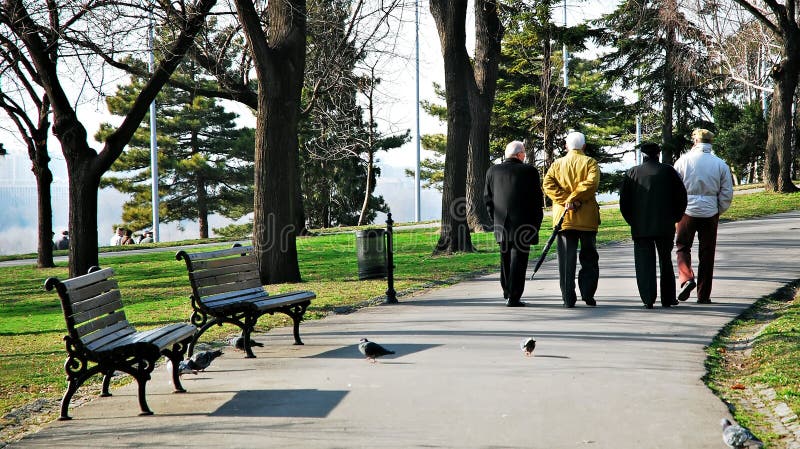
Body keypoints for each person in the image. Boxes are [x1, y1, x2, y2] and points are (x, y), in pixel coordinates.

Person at [619, 142, 688, 309]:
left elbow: (624, 203)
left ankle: (648, 298)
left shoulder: (633, 173)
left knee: (644, 263)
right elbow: (681, 197)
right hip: (665, 225)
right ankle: (668, 297)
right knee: (665, 261)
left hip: (641, 227)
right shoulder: (668, 171)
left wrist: (632, 221)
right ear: (658, 154)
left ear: (643, 155)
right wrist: (675, 217)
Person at [673, 129, 734, 304]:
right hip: (710, 211)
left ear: (695, 141)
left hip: (687, 210)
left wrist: (678, 209)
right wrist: (718, 209)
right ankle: (703, 294)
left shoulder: (683, 161)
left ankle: (687, 277)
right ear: (710, 142)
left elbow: (676, 188)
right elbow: (726, 192)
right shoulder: (720, 164)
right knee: (707, 253)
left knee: (682, 247)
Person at [542, 131, 601, 308]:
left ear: (566, 146)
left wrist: (567, 200)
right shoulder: (590, 162)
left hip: (564, 218)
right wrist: (575, 198)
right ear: (584, 146)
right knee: (589, 257)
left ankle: (568, 298)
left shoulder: (557, 164)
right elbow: (591, 184)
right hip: (587, 218)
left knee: (566, 260)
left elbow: (548, 185)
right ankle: (588, 294)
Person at [484, 140, 544, 307]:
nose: (525, 155)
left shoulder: (492, 171)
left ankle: (507, 291)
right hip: (524, 224)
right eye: (524, 152)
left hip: (501, 222)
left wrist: (493, 218)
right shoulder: (530, 171)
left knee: (504, 258)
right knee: (519, 260)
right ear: (519, 155)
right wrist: (536, 223)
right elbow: (536, 200)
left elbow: (487, 198)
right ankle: (514, 296)